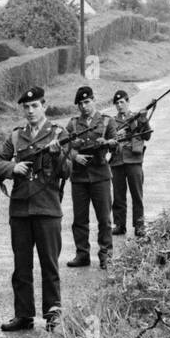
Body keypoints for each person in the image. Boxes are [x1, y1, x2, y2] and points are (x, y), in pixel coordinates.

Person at [0, 86, 69, 333]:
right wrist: (13, 168)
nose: (31, 111)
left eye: (35, 106)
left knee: (49, 265)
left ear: (44, 106)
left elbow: (67, 171)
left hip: (47, 208)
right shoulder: (15, 136)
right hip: (21, 210)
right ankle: (23, 315)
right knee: (21, 266)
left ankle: (53, 314)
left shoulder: (58, 133)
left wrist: (56, 155)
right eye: (26, 107)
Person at [64, 85, 116, 269]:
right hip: (79, 178)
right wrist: (75, 156)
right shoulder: (72, 124)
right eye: (81, 103)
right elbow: (65, 147)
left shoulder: (107, 122)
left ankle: (106, 255)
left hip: (100, 175)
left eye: (87, 102)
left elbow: (115, 144)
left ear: (94, 100)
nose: (84, 106)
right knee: (79, 219)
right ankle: (82, 254)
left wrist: (108, 143)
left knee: (104, 218)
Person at [109, 89, 152, 238]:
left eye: (122, 102)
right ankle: (120, 225)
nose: (120, 105)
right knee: (118, 196)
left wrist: (144, 120)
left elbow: (147, 136)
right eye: (117, 103)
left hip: (134, 160)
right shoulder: (112, 122)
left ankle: (139, 226)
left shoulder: (136, 117)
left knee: (137, 195)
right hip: (117, 161)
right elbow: (107, 142)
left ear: (128, 102)